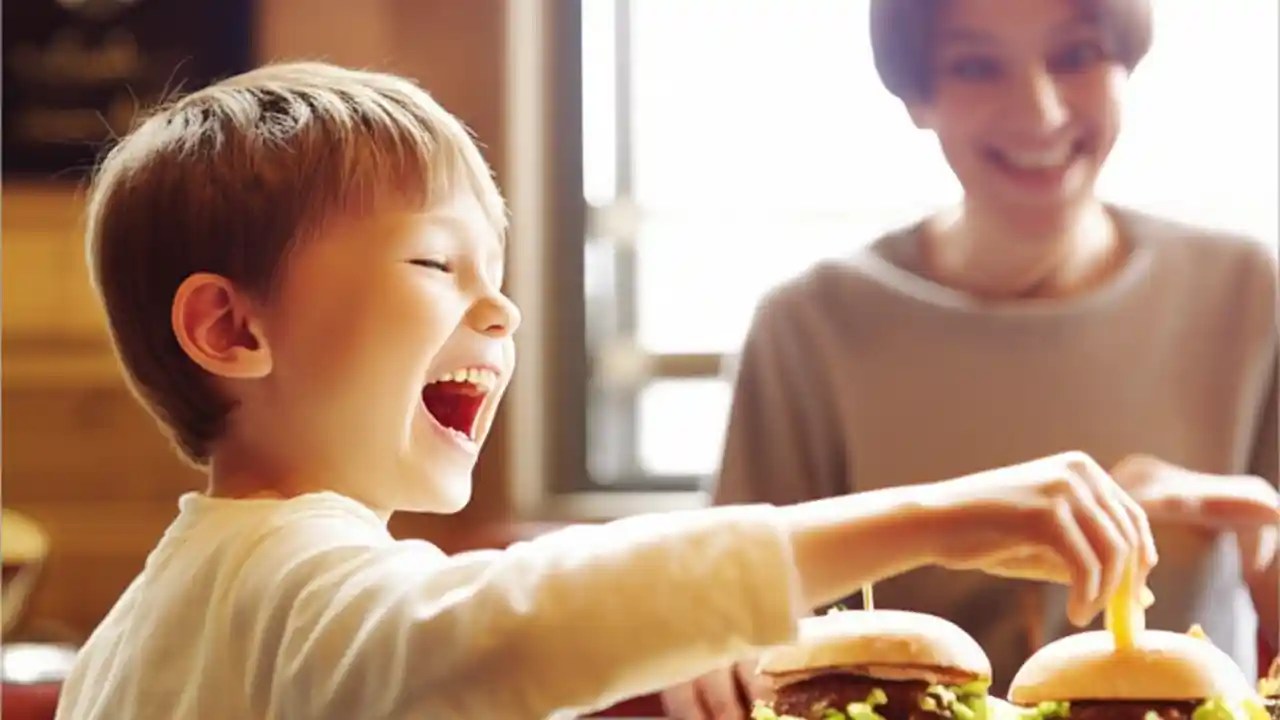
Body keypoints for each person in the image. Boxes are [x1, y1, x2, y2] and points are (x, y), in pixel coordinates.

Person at [53, 61, 1162, 720]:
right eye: (439, 266)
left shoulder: (172, 607)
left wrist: (670, 639)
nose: (501, 313)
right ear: (231, 327)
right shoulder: (282, 583)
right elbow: (499, 631)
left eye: (502, 275)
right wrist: (931, 516)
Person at [662, 0, 1280, 716]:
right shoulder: (807, 327)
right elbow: (731, 617)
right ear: (916, 93)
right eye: (977, 66)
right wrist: (707, 644)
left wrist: (1261, 546)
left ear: (1126, 64)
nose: (1040, 111)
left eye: (1075, 56)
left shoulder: (1247, 294)